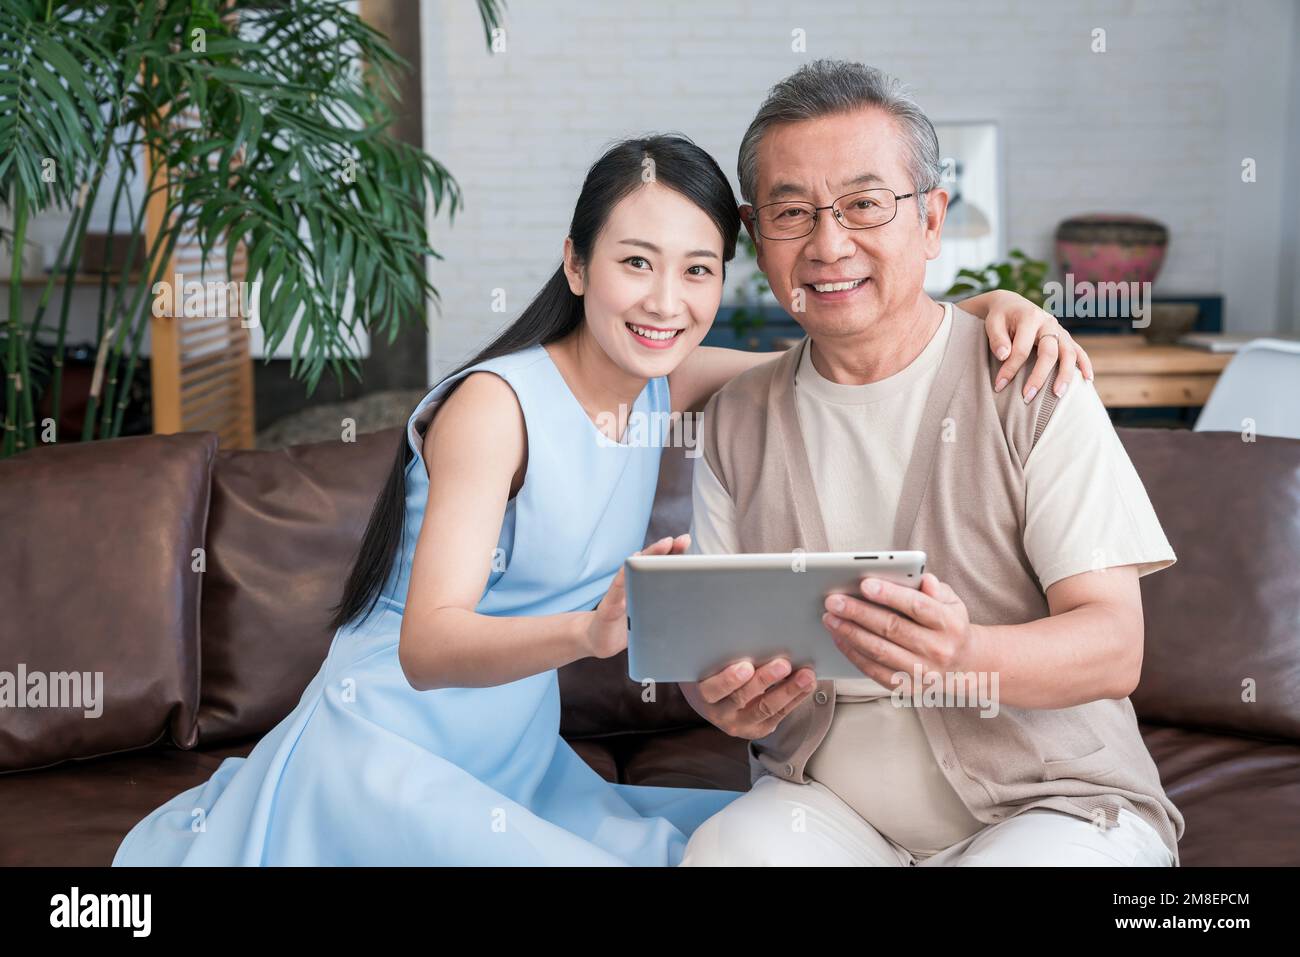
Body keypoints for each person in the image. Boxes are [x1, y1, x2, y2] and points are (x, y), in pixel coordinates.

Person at [112, 132, 1089, 866]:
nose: (665, 301)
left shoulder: (668, 380)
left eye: (696, 270)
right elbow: (430, 643)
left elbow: (847, 350)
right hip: (391, 747)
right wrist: (593, 631)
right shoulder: (496, 407)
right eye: (635, 262)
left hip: (517, 756)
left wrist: (987, 311)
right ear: (577, 265)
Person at [677, 60, 1183, 867]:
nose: (829, 243)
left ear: (932, 219)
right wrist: (722, 700)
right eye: (792, 212)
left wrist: (963, 656)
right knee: (724, 854)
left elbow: (1115, 644)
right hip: (826, 809)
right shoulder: (738, 416)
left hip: (1052, 807)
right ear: (756, 235)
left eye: (865, 205)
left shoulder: (1033, 381)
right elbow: (708, 657)